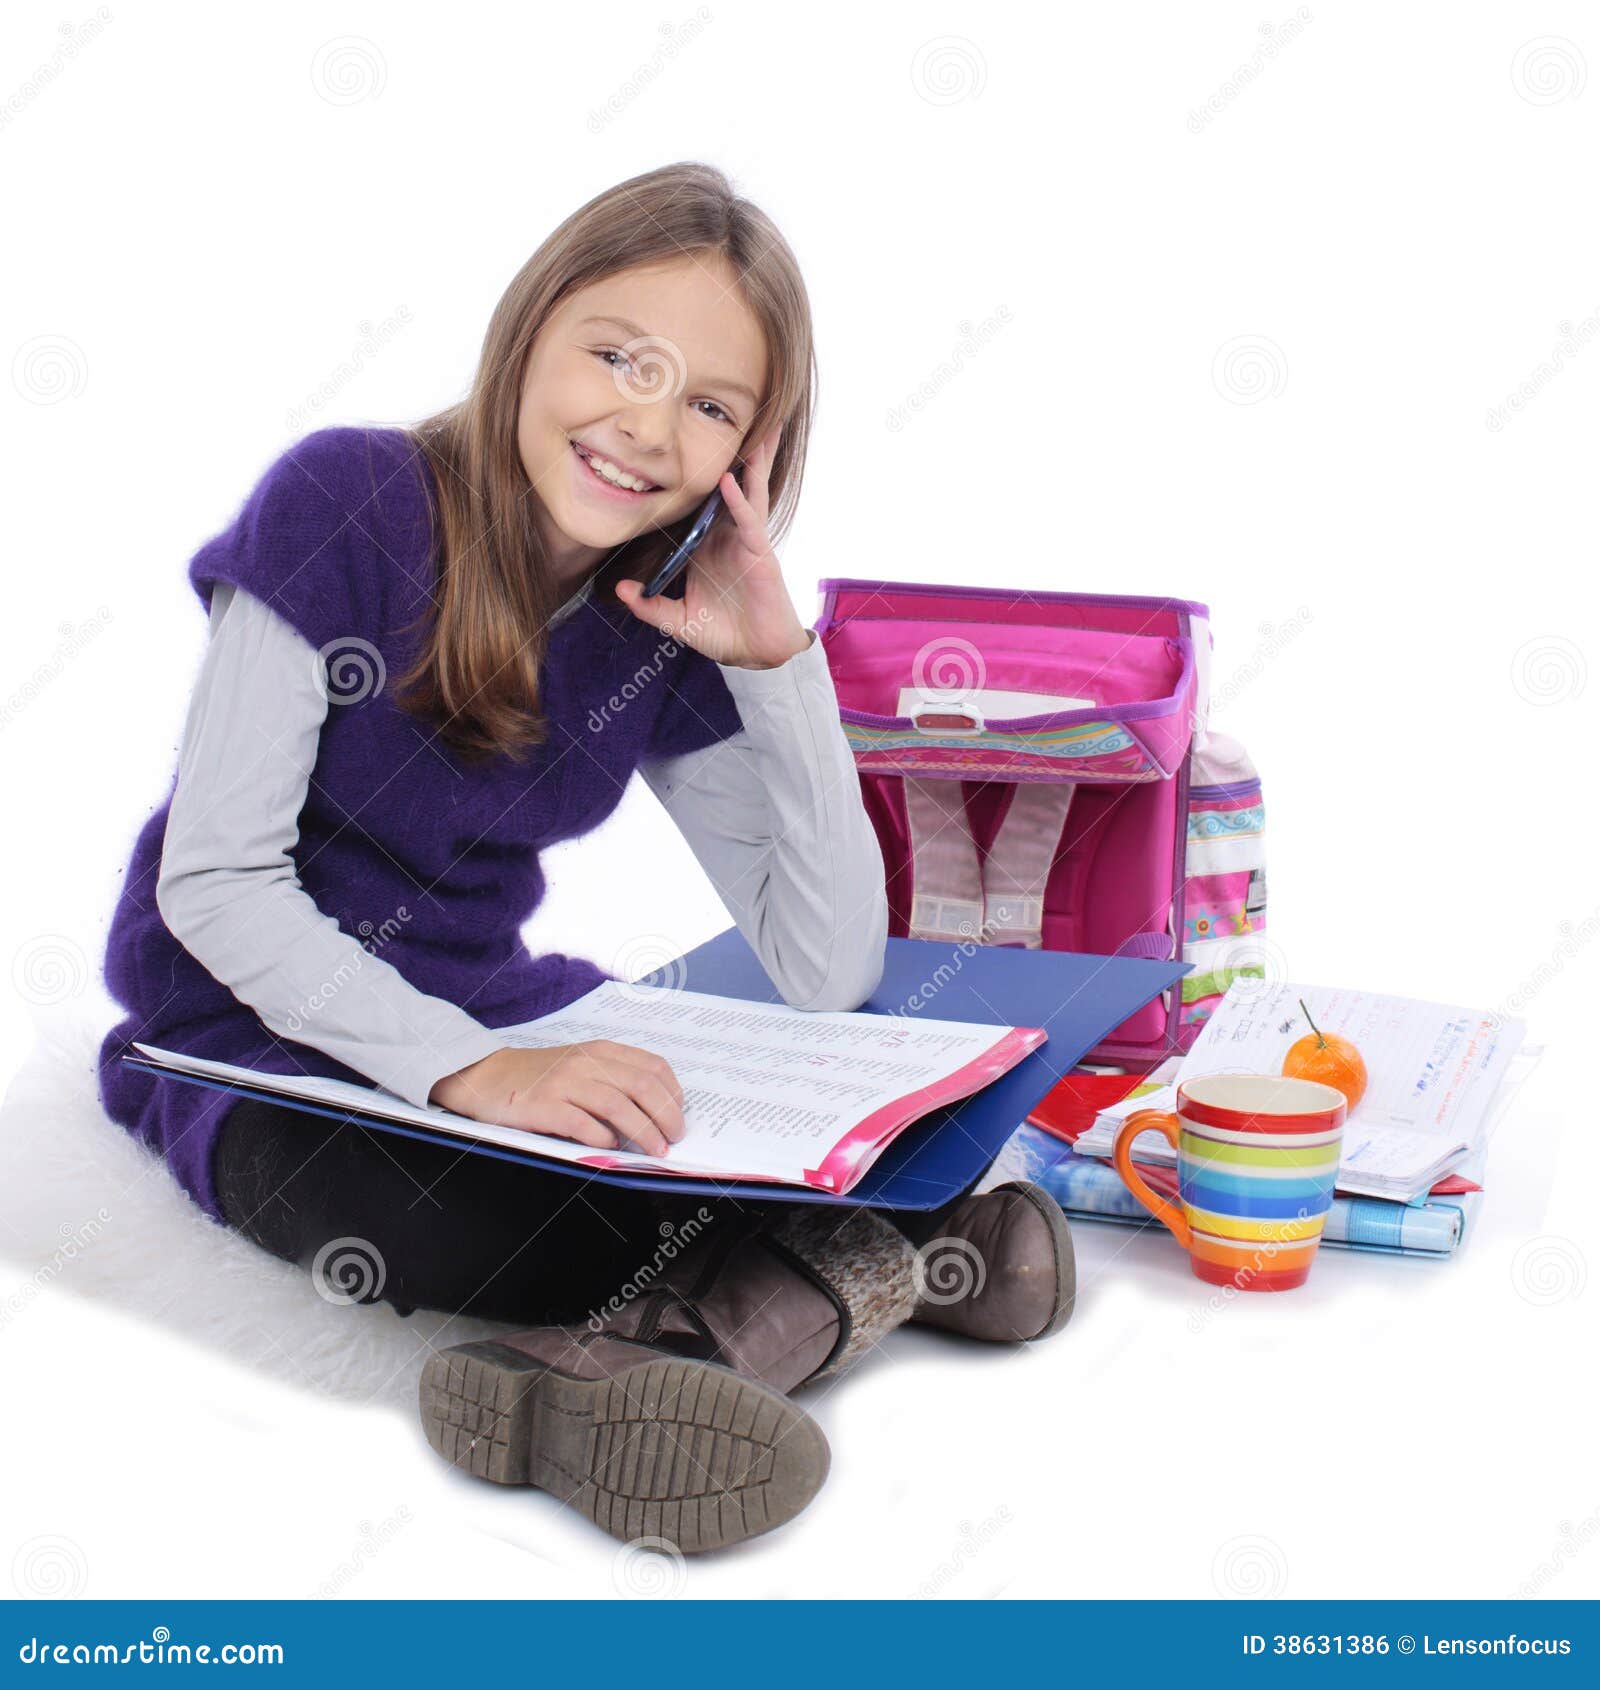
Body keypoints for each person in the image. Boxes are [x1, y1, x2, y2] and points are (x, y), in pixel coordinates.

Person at [97, 160, 1075, 1554]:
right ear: (531, 327)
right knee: (438, 1223)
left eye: (709, 403)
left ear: (750, 453)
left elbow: (827, 964)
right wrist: (477, 1073)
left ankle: (702, 1327)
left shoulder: (650, 614)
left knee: (712, 1132)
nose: (644, 423)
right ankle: (852, 1269)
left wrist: (780, 666)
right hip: (248, 1036)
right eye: (619, 355)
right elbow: (214, 886)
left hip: (502, 1009)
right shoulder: (347, 503)